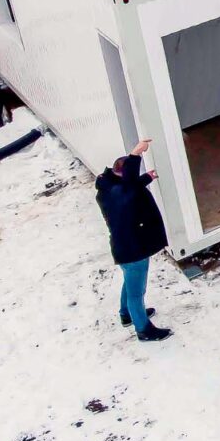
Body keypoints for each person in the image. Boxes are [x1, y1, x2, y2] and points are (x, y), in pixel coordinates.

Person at [95, 139, 173, 341]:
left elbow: (129, 187)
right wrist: (136, 154)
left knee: (129, 283)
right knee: (137, 292)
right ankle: (143, 329)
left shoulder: (108, 188)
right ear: (122, 175)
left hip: (124, 248)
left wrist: (146, 177)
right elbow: (129, 188)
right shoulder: (118, 192)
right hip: (133, 250)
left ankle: (126, 314)